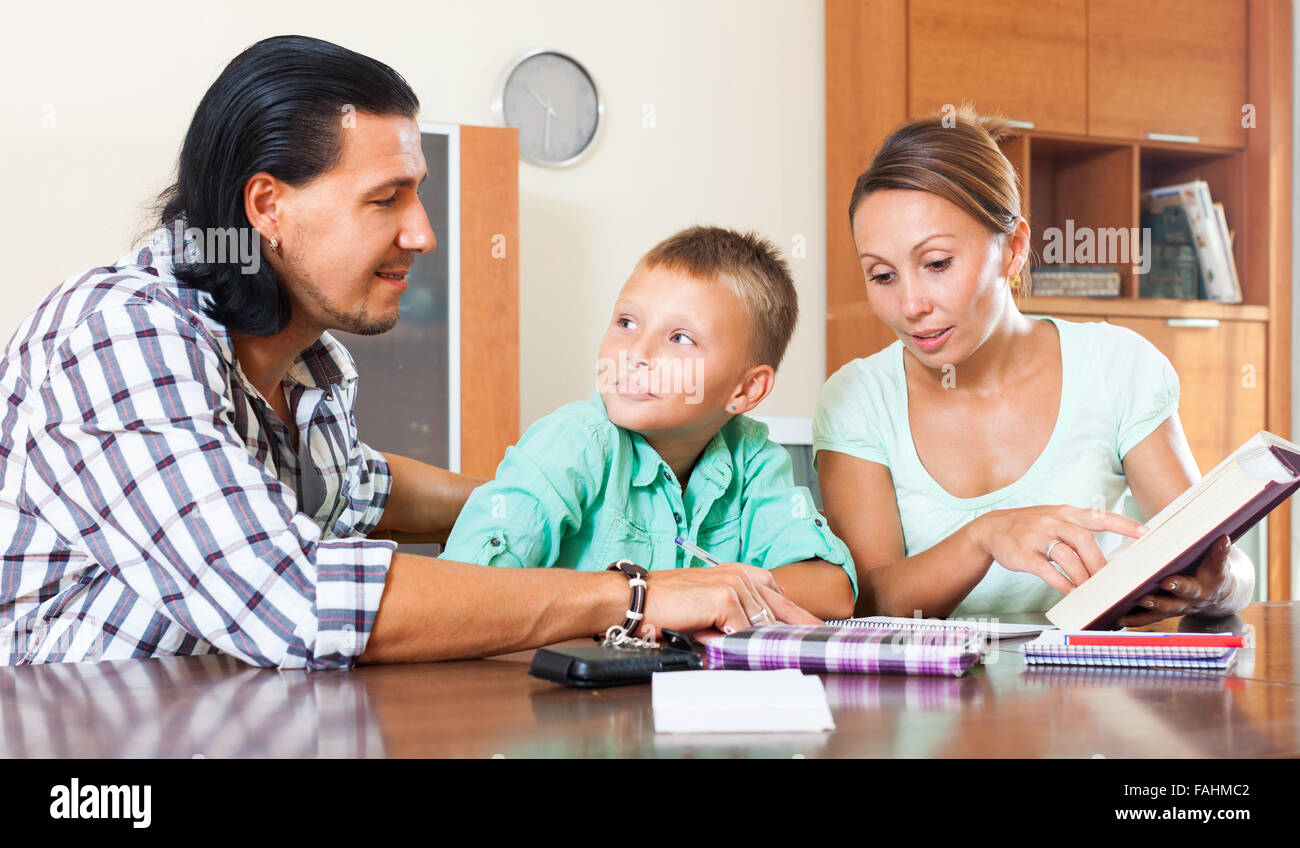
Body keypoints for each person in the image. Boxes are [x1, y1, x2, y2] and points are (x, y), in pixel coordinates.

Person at [0, 35, 815, 669]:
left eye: (418, 193)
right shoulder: (116, 335)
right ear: (268, 207)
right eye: (385, 199)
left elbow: (364, 486)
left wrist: (561, 489)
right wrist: (635, 595)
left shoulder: (307, 371)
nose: (423, 232)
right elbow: (298, 600)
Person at [814, 107, 1253, 625]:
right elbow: (868, 602)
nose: (910, 305)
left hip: (1101, 692)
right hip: (940, 697)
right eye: (883, 275)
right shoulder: (857, 399)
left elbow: (1219, 558)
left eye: (936, 264)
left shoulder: (1115, 366)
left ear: (1014, 248)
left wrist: (1218, 586)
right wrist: (983, 537)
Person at [440, 226, 857, 621]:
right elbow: (465, 590)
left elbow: (830, 587)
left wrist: (702, 592)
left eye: (680, 338)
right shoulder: (575, 442)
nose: (635, 352)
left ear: (745, 390)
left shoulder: (755, 459)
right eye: (626, 322)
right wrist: (661, 593)